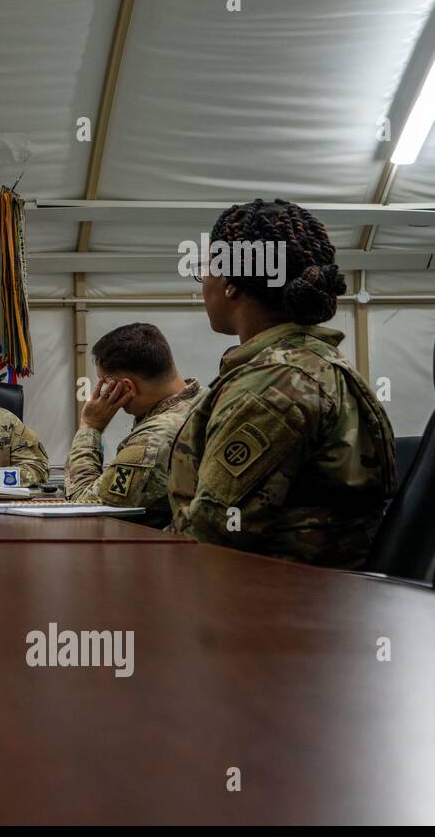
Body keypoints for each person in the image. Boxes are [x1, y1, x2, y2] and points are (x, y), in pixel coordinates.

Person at [168, 198, 396, 568]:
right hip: (306, 604)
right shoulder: (309, 364)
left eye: (204, 269)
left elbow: (205, 540)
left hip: (267, 607)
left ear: (229, 283)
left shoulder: (273, 386)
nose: (203, 282)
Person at [65, 323, 203, 527]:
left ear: (127, 386)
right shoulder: (206, 400)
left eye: (105, 385)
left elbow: (86, 507)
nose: (103, 393)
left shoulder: (153, 439)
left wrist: (90, 427)